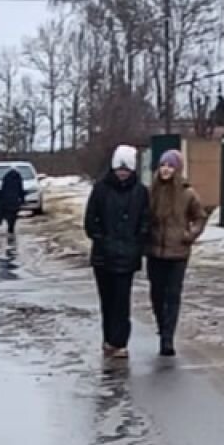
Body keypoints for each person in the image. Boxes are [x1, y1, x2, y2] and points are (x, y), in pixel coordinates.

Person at [84, 145, 150, 360]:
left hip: (127, 256)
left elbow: (145, 221)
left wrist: (137, 242)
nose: (122, 172)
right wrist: (102, 240)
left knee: (122, 301)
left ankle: (120, 342)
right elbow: (90, 220)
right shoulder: (101, 189)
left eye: (126, 168)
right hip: (104, 256)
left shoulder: (140, 192)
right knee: (108, 300)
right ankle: (109, 340)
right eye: (119, 168)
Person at [146, 149, 206, 358]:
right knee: (156, 295)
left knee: (172, 295)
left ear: (177, 169)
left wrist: (189, 235)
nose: (166, 169)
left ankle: (167, 339)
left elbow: (199, 217)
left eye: (170, 166)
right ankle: (162, 326)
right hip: (154, 252)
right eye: (163, 165)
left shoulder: (187, 194)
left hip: (178, 253)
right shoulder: (151, 191)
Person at [0, 167, 25, 235]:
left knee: (5, 214)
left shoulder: (6, 178)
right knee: (12, 217)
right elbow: (21, 190)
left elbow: (2, 190)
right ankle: (11, 229)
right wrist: (22, 200)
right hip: (14, 201)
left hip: (6, 201)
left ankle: (1, 223)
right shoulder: (18, 179)